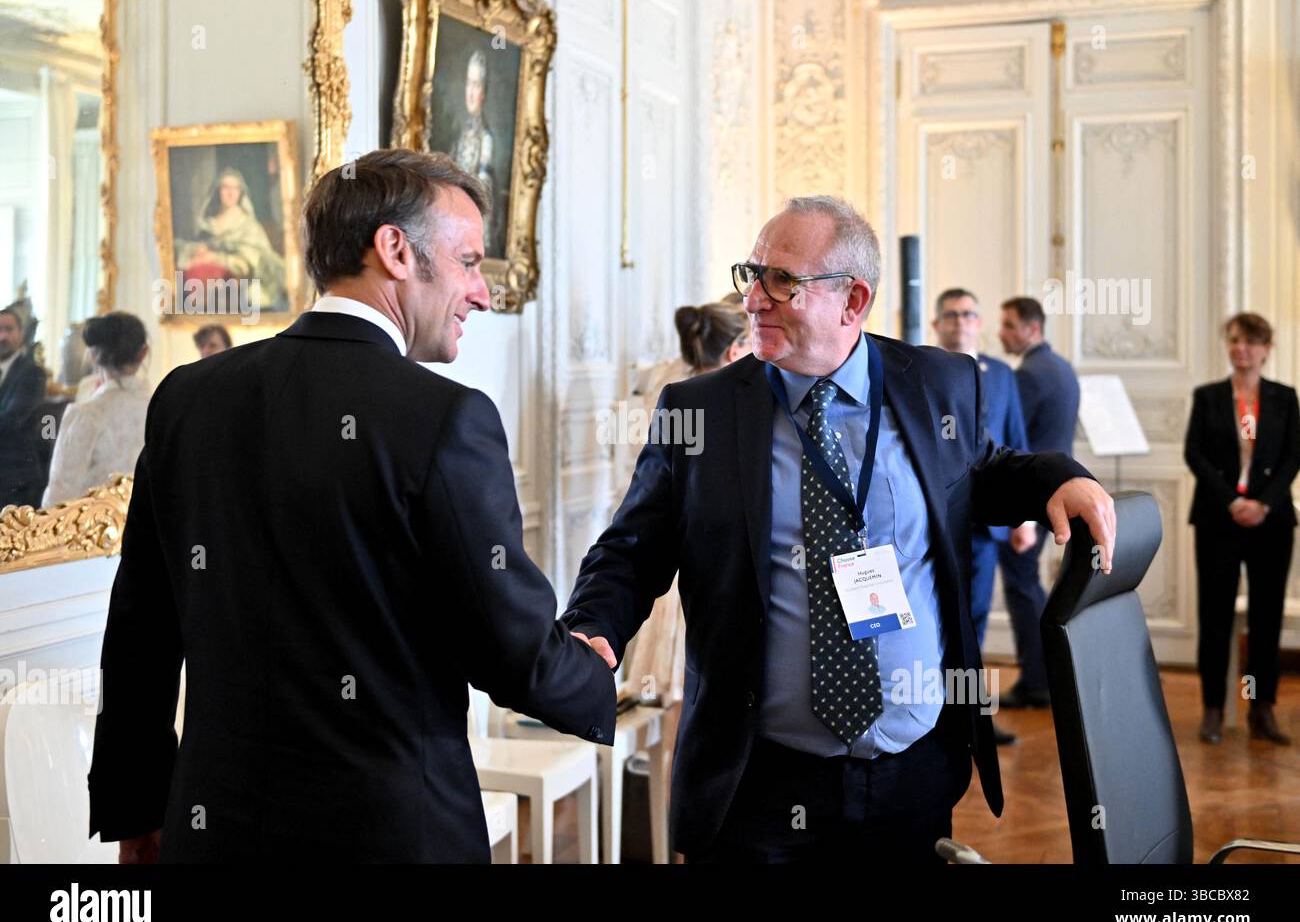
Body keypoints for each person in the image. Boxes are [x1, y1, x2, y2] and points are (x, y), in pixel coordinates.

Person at [88, 149, 617, 864]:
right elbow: (511, 649)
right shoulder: (447, 419)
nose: (482, 293)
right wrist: (591, 672)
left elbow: (140, 638)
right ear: (395, 251)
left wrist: (136, 812)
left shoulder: (189, 398)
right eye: (468, 262)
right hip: (391, 836)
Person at [563, 196, 1114, 863]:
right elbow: (633, 547)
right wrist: (593, 624)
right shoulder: (699, 410)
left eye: (781, 281)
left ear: (853, 301)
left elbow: (980, 472)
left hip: (913, 774)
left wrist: (1058, 475)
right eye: (751, 273)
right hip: (760, 784)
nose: (754, 299)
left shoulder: (937, 382)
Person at [621, 294, 750, 708]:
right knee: (693, 694)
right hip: (702, 571)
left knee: (667, 695)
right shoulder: (726, 407)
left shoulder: (669, 388)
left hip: (664, 569)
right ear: (734, 351)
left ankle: (667, 772)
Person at [1185, 312, 1298, 746]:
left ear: (1267, 349)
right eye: (1233, 340)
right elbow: (1194, 454)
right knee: (1213, 613)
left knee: (1266, 616)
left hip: (1271, 521)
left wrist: (1263, 503)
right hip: (1218, 518)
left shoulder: (1285, 398)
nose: (1240, 348)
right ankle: (1213, 708)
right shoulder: (1208, 396)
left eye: (1250, 341)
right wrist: (1232, 501)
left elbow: (1293, 455)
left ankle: (1262, 709)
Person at [932, 288, 1032, 745]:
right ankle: (932, 717)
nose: (960, 321)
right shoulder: (919, 370)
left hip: (985, 525)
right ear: (937, 324)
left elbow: (1015, 442)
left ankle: (973, 719)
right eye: (951, 315)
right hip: (931, 521)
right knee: (931, 620)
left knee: (974, 620)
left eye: (969, 313)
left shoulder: (1002, 375)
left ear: (980, 321)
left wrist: (1024, 516)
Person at [996, 296, 1081, 709]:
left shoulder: (1028, 374)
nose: (1001, 334)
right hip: (1053, 494)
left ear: (1032, 328)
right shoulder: (1061, 368)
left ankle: (1037, 680)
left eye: (1009, 326)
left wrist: (1020, 517)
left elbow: (1015, 441)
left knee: (1023, 587)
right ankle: (1045, 676)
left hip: (1030, 502)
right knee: (1028, 585)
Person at [42, 313, 151, 507]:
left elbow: (59, 496)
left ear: (93, 355)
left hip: (93, 531)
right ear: (143, 353)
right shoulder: (160, 410)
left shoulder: (84, 414)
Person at [175, 167, 288, 311]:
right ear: (218, 191)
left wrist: (215, 257)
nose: (230, 193)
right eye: (226, 187)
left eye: (235, 188)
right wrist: (198, 250)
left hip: (240, 284)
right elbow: (194, 248)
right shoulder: (208, 224)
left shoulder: (249, 226)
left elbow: (252, 260)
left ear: (241, 192)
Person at [451, 51, 500, 255]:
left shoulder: (486, 138)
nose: (471, 92)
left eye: (477, 85)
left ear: (484, 92)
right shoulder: (458, 134)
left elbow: (482, 192)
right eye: (469, 83)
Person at [0, 304, 48, 509]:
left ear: (21, 334)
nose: (2, 336)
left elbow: (13, 419)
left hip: (15, 477)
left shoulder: (32, 373)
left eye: (8, 330)